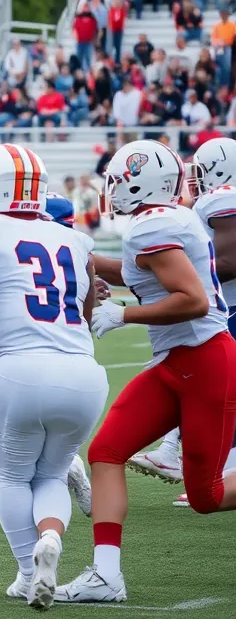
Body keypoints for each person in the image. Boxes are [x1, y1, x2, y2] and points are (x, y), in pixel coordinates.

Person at [58, 140, 236, 603]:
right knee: (106, 451)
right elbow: (141, 270)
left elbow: (193, 300)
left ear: (139, 183)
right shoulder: (167, 218)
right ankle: (105, 575)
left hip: (204, 361)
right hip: (178, 361)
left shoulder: (152, 226)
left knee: (207, 496)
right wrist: (80, 257)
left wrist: (124, 314)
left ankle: (105, 575)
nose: (111, 189)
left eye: (117, 181)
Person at [0, 144, 105, 608]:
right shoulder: (74, 239)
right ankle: (50, 538)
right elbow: (87, 308)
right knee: (52, 473)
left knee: (11, 476)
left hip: (20, 370)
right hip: (85, 373)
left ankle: (28, 572)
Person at [130, 137, 236, 504]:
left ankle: (215, 474)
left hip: (227, 311)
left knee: (210, 388)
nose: (195, 179)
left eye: (202, 171)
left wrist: (181, 278)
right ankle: (176, 453)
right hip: (225, 310)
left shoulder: (222, 199)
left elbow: (229, 263)